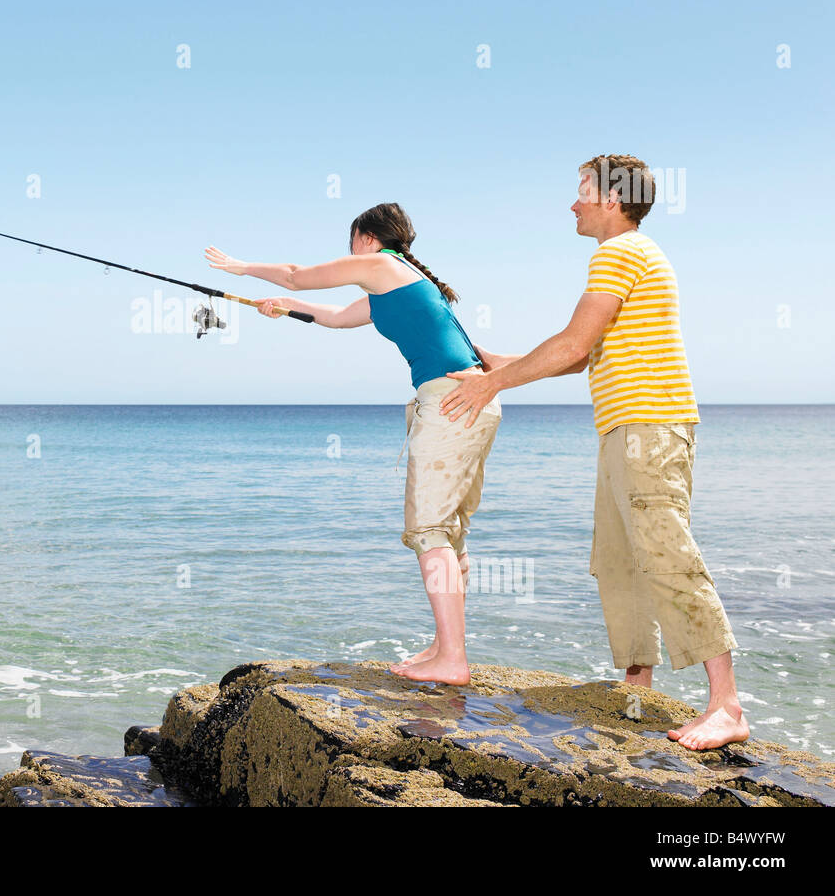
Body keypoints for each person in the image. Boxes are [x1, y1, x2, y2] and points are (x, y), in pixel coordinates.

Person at [439, 154, 748, 750]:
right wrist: (497, 362)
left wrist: (492, 384)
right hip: (625, 428)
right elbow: (584, 355)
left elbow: (575, 343)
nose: (573, 203)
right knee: (619, 559)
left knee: (666, 552)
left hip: (648, 426)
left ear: (612, 198)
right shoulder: (630, 254)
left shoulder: (619, 252)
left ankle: (727, 706)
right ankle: (637, 687)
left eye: (582, 190)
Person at [204, 203, 503, 685]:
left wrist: (241, 267)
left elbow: (298, 275)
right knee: (448, 534)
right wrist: (283, 306)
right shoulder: (398, 282)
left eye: (351, 240)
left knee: (429, 531)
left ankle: (453, 658)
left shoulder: (381, 264)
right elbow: (338, 317)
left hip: (450, 401)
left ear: (366, 237)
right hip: (471, 401)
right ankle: (445, 646)